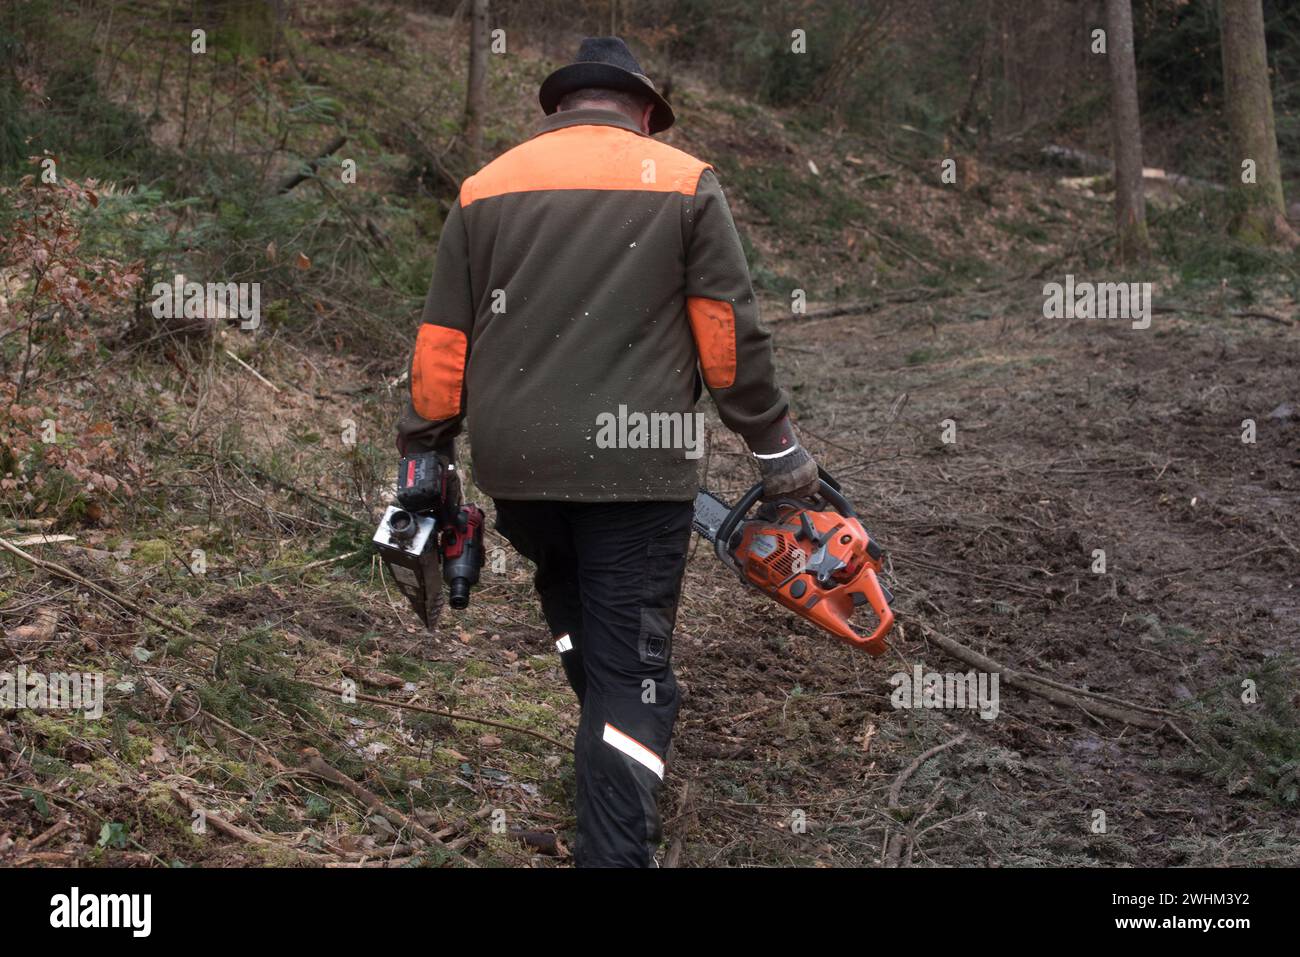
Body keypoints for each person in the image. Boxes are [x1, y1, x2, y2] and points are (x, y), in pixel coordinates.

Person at [396, 36, 818, 867]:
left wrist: (424, 450)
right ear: (644, 112)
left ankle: (608, 749)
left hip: (518, 471)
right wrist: (777, 450)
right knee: (635, 675)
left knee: (581, 631)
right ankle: (616, 845)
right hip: (638, 471)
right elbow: (727, 339)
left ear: (560, 106)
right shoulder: (685, 182)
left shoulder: (486, 189)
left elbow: (443, 341)